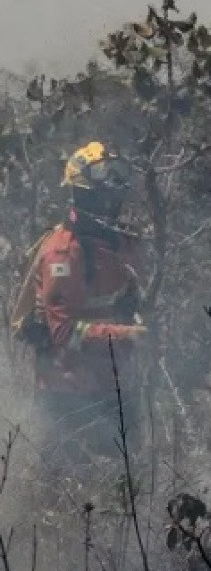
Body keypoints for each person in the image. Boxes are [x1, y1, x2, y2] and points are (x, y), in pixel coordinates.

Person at [10, 141, 146, 470]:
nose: (114, 200)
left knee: (125, 481)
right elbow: (63, 333)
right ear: (85, 196)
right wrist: (129, 335)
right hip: (68, 392)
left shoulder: (122, 241)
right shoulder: (63, 253)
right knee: (68, 488)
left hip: (111, 382)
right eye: (105, 193)